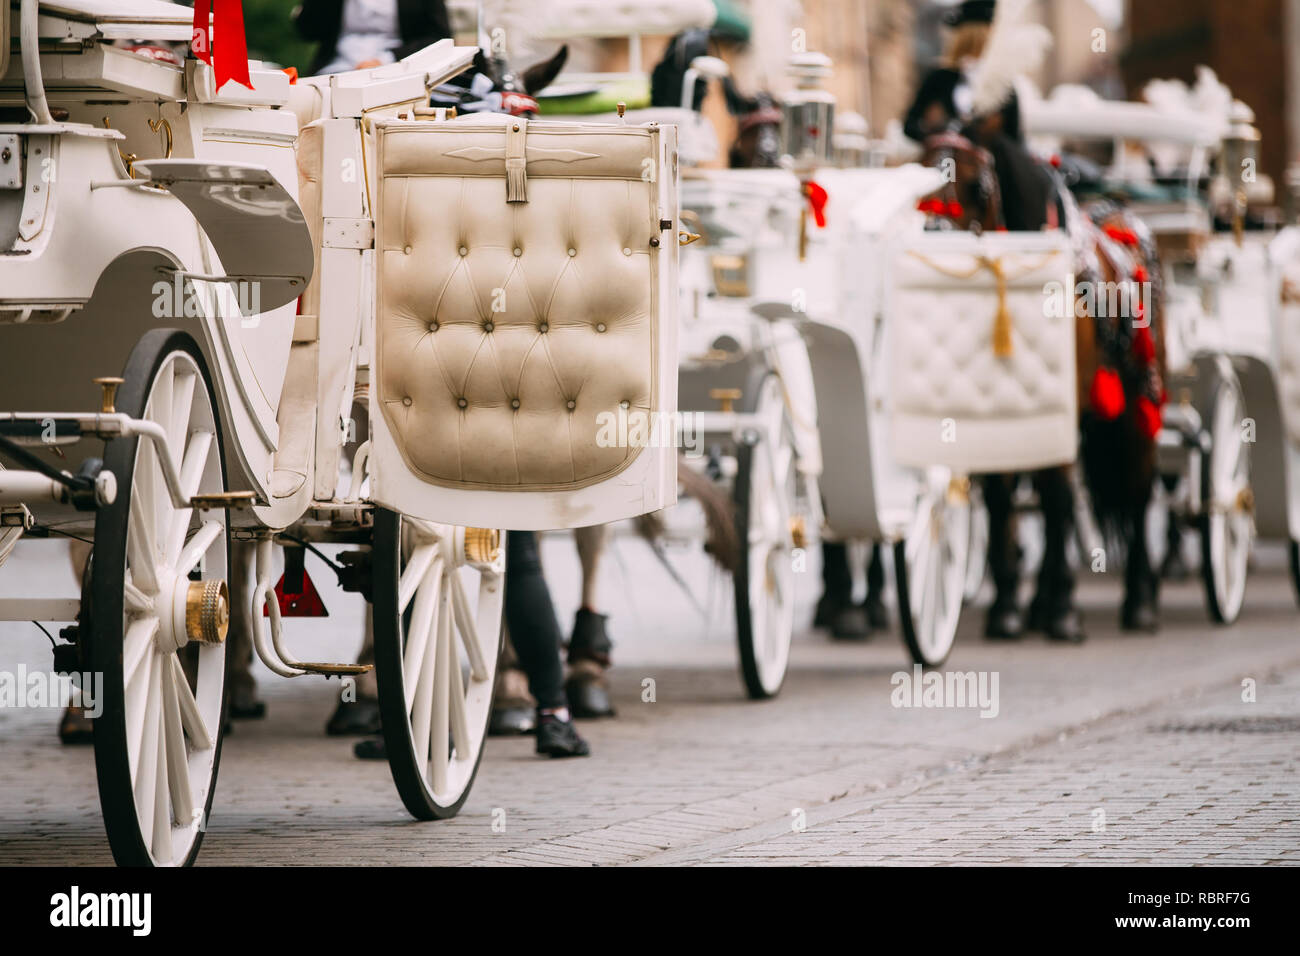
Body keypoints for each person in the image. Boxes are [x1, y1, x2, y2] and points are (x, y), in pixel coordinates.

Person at [902, 0, 1051, 232]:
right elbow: (909, 124)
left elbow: (1014, 138)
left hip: (989, 168)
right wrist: (941, 135)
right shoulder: (940, 78)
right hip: (943, 164)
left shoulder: (1004, 86)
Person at [293, 0, 453, 76]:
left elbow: (439, 38)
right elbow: (307, 32)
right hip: (335, 71)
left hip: (399, 72)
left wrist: (387, 60)